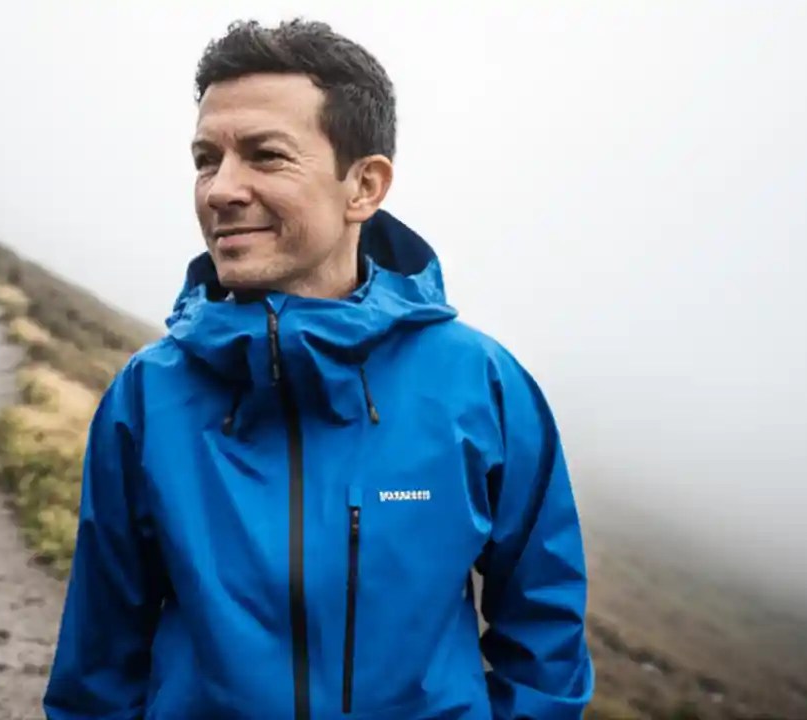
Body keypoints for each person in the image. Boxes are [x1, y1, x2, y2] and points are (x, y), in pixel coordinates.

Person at [43, 17, 594, 720]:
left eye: (265, 156)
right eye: (206, 159)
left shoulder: (480, 386)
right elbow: (98, 663)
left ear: (363, 185)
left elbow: (544, 636)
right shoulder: (147, 397)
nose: (219, 190)